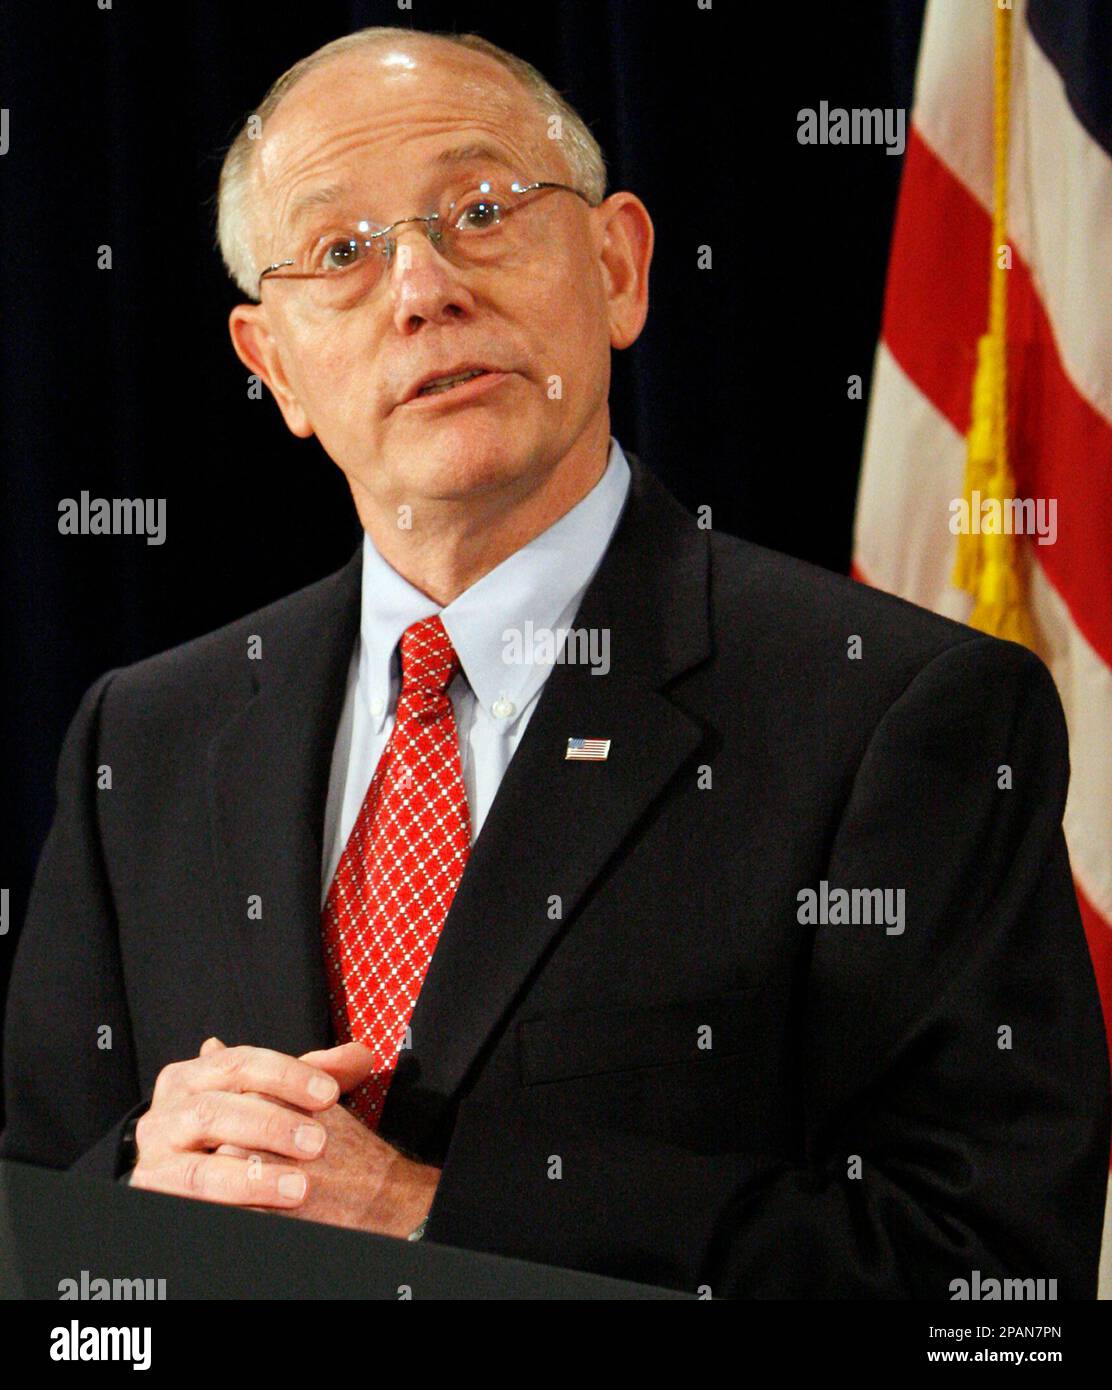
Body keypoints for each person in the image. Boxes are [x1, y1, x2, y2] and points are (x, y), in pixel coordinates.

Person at [2, 26, 1108, 1298]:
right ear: (275, 368)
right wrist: (142, 1197)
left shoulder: (894, 712)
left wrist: (438, 1213)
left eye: (478, 210)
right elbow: (35, 1231)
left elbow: (985, 1278)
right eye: (342, 253)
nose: (419, 289)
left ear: (618, 267)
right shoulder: (141, 739)